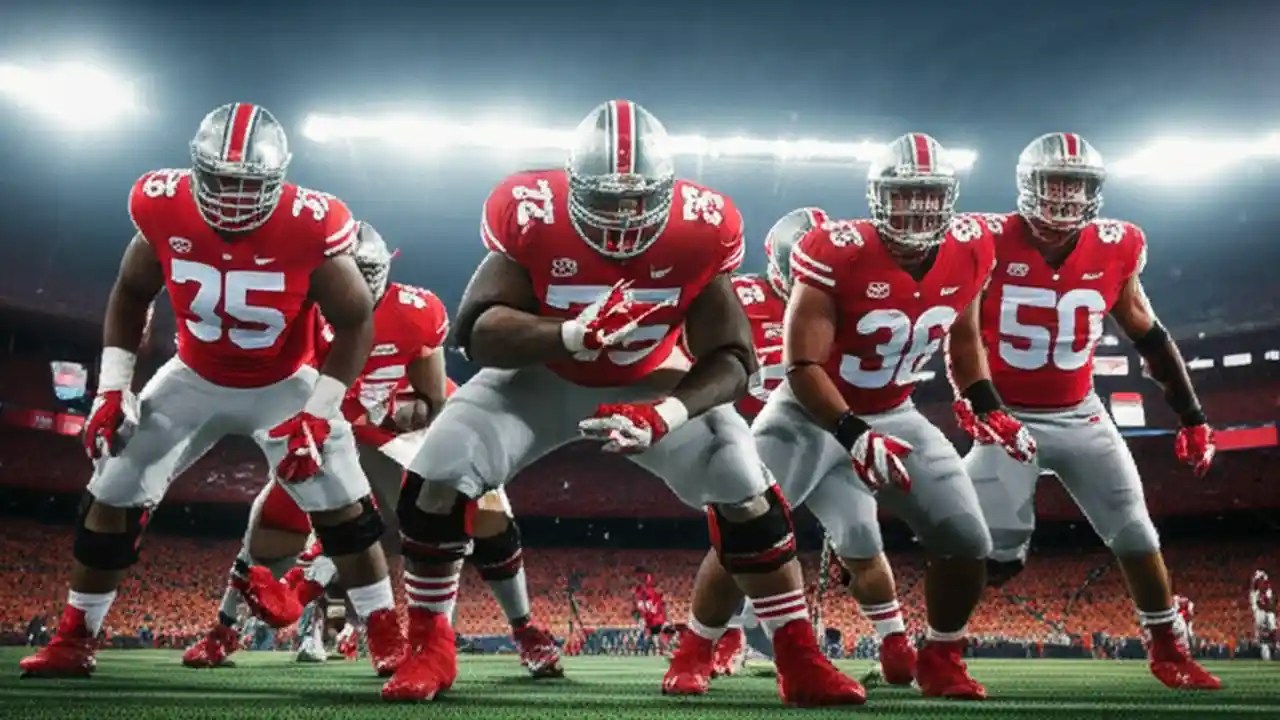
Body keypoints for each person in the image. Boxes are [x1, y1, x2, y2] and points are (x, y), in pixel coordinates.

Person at [381, 99, 865, 707]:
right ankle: (429, 643)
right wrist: (566, 334)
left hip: (650, 379)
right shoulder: (532, 212)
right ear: (573, 187)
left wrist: (665, 414)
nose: (624, 215)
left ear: (666, 191)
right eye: (606, 199)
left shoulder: (702, 227)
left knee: (743, 478)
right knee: (440, 463)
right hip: (544, 375)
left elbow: (736, 359)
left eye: (638, 199)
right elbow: (475, 330)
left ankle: (798, 656)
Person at [20, 103, 403, 679]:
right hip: (194, 374)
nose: (232, 197)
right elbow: (129, 293)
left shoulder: (312, 221)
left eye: (248, 184)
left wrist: (320, 413)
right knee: (112, 489)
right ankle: (75, 637)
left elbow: (355, 323)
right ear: (195, 169)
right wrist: (113, 387)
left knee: (344, 508)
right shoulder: (162, 205)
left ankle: (386, 637)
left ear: (278, 181)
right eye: (220, 180)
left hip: (283, 381)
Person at [681, 133, 1030, 701]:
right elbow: (802, 366)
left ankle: (939, 655)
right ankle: (695, 647)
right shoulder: (832, 252)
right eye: (903, 195)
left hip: (894, 410)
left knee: (966, 539)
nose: (917, 211)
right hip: (807, 412)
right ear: (875, 198)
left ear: (950, 198)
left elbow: (964, 339)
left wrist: (988, 403)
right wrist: (850, 432)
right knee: (747, 529)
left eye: (929, 196)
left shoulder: (973, 246)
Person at [951, 131, 1220, 690]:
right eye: (1055, 183)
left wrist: (1192, 414)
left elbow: (1149, 334)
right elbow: (964, 332)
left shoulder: (1116, 245)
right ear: (1028, 185)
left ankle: (1168, 647)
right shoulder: (988, 239)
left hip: (1081, 412)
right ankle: (933, 648)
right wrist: (979, 401)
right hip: (1007, 418)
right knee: (987, 554)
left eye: (1077, 186)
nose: (1065, 198)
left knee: (1136, 532)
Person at [690, 208, 918, 685]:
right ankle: (894, 642)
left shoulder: (833, 298)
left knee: (833, 538)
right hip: (784, 439)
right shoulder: (746, 297)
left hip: (807, 440)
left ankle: (714, 642)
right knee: (835, 538)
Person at [1252, 570, 1276, 660]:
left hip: (1266, 612)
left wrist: (1265, 578)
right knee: (1260, 626)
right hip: (1260, 611)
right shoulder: (1257, 594)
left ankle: (1274, 644)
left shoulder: (1267, 593)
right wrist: (1257, 578)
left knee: (1271, 626)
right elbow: (1255, 590)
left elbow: (1270, 603)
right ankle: (1261, 640)